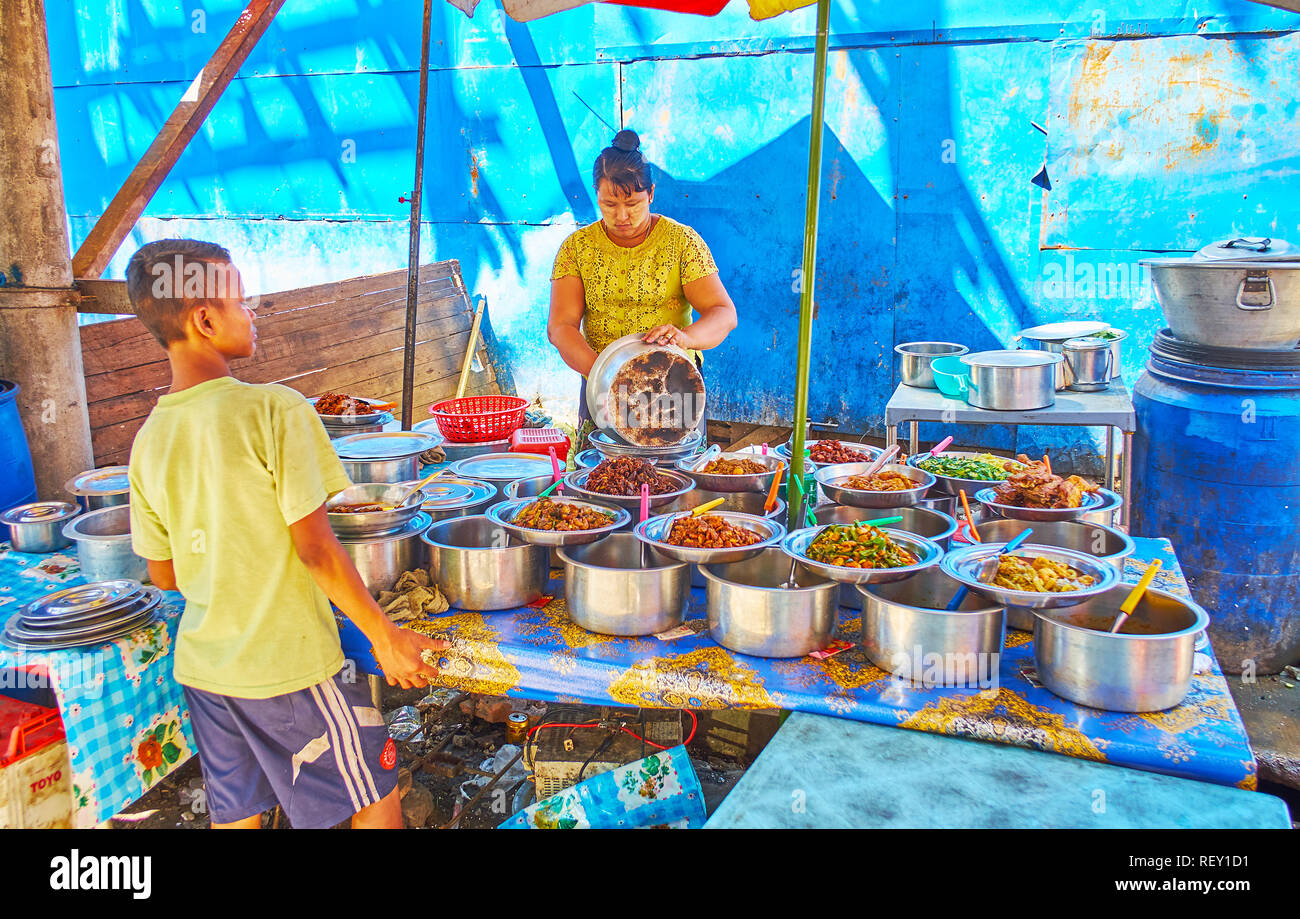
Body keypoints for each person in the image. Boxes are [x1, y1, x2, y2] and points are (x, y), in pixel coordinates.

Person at [125, 239, 449, 830]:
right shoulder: (275, 409)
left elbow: (164, 573)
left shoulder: (148, 439)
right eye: (242, 302)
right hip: (288, 668)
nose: (252, 313)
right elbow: (317, 551)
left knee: (241, 816)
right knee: (374, 796)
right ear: (204, 319)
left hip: (206, 671)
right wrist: (385, 637)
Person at [548, 129, 738, 440]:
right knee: (604, 480)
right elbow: (561, 327)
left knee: (674, 480)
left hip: (673, 384)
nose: (621, 215)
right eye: (609, 204)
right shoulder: (577, 248)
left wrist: (685, 338)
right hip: (600, 384)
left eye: (633, 203)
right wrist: (606, 375)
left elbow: (723, 313)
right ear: (596, 194)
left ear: (650, 193)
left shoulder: (682, 242)